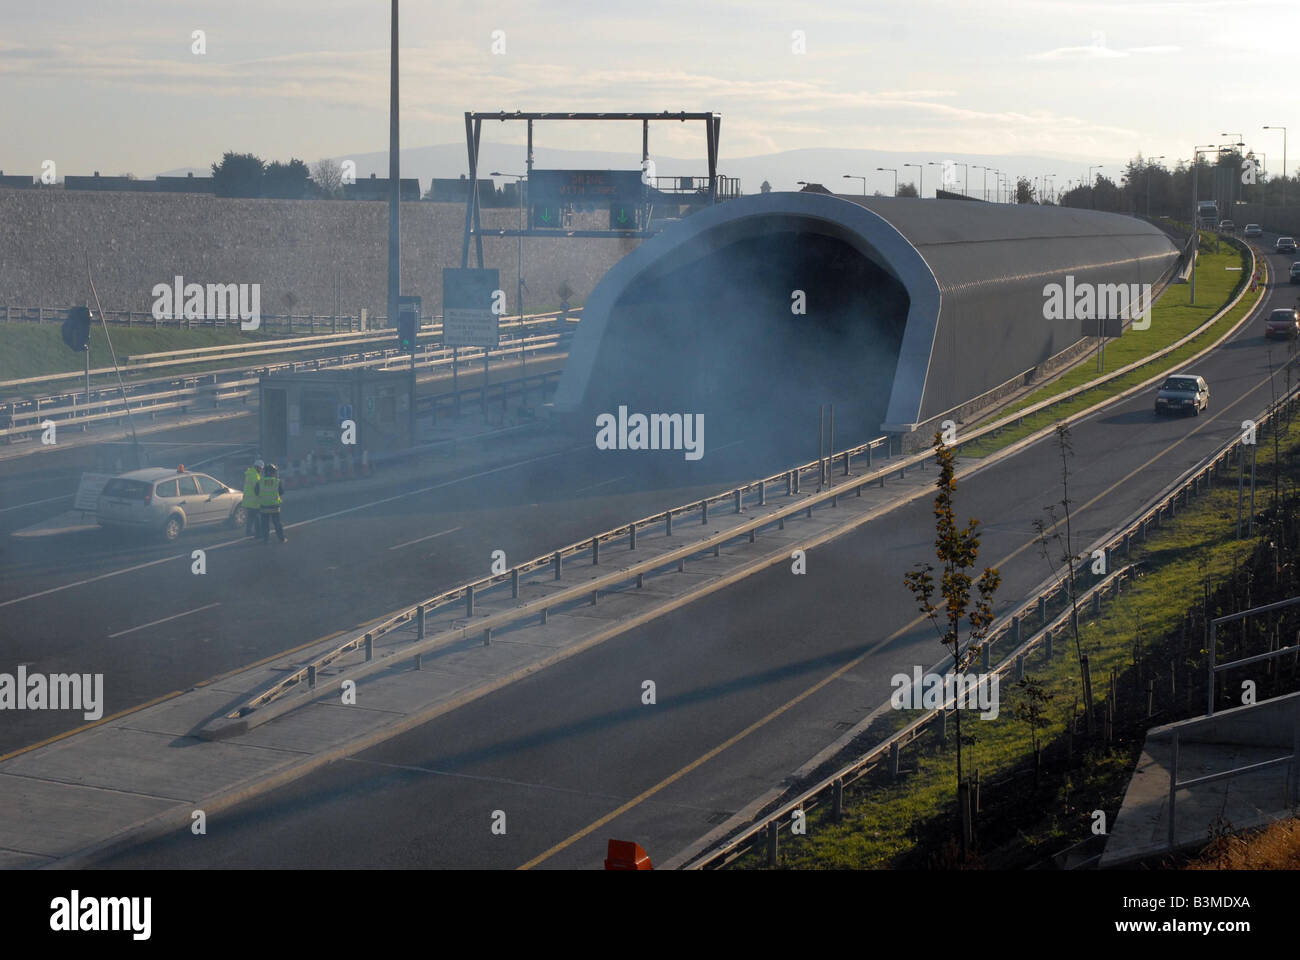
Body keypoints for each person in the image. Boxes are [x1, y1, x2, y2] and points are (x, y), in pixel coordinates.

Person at [256, 463, 287, 543]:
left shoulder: (260, 482)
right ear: (273, 472)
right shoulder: (277, 481)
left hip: (264, 507)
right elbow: (281, 492)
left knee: (265, 525)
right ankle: (281, 539)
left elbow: (256, 492)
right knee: (277, 523)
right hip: (274, 507)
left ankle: (265, 540)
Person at [242, 458, 263, 537]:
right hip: (254, 500)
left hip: (248, 500)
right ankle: (258, 533)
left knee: (250, 517)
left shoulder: (249, 473)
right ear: (258, 467)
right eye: (261, 468)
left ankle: (248, 531)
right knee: (257, 517)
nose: (261, 470)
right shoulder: (255, 475)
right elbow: (257, 488)